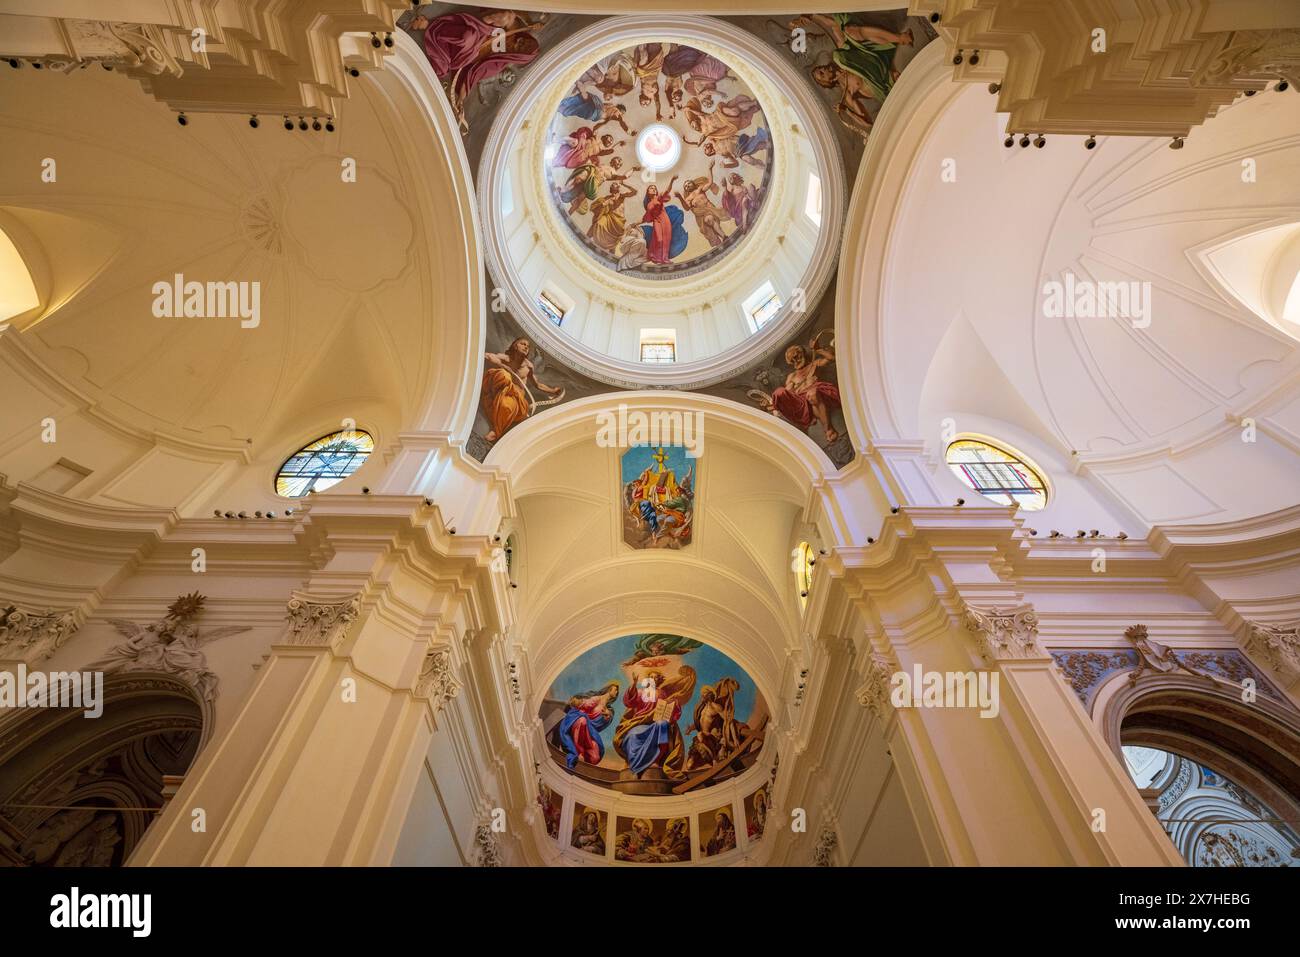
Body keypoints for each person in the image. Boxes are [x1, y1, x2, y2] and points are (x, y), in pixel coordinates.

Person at [480, 337, 563, 442]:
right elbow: (487, 355)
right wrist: (504, 366)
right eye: (523, 344)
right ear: (515, 346)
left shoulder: (529, 367)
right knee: (503, 374)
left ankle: (496, 431)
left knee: (507, 405)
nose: (526, 347)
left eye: (527, 346)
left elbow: (538, 385)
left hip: (515, 397)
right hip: (500, 389)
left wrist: (553, 391)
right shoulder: (505, 358)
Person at [770, 331, 841, 443]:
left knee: (812, 394)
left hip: (818, 393)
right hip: (801, 402)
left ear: (802, 354)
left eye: (796, 356)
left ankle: (828, 430)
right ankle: (799, 422)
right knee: (779, 392)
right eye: (792, 360)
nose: (796, 360)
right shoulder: (791, 376)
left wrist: (818, 349)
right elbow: (788, 392)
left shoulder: (814, 363)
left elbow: (832, 358)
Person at [555, 682, 620, 770]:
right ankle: (578, 753)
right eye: (615, 690)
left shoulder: (609, 710)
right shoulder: (596, 698)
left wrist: (607, 716)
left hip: (590, 731)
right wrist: (579, 701)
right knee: (583, 721)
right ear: (609, 689)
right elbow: (582, 705)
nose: (616, 692)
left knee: (595, 756)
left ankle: (582, 760)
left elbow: (600, 725)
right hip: (577, 720)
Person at [639, 179, 687, 265]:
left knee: (666, 240)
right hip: (657, 222)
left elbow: (667, 191)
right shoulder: (649, 204)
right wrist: (635, 223)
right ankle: (657, 257)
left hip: (665, 221)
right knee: (659, 239)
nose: (653, 189)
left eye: (655, 188)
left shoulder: (659, 197)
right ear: (647, 192)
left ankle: (664, 259)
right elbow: (645, 218)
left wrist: (672, 180)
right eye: (651, 188)